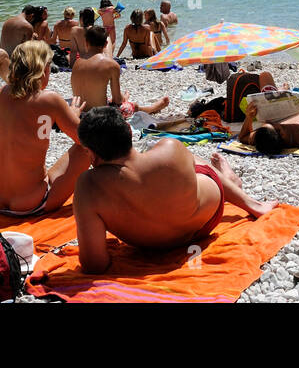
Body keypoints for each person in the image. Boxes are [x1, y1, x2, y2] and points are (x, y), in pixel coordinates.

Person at [74, 108, 275, 268]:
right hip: (204, 223)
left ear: (90, 152)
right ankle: (250, 202)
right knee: (192, 162)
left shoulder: (88, 186)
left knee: (183, 167)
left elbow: (95, 264)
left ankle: (231, 182)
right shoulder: (169, 148)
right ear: (128, 130)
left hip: (150, 246)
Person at [0, 41, 92, 217]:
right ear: (44, 69)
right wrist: (73, 114)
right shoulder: (49, 99)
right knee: (88, 148)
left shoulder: (2, 93)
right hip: (29, 204)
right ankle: (111, 189)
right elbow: (86, 139)